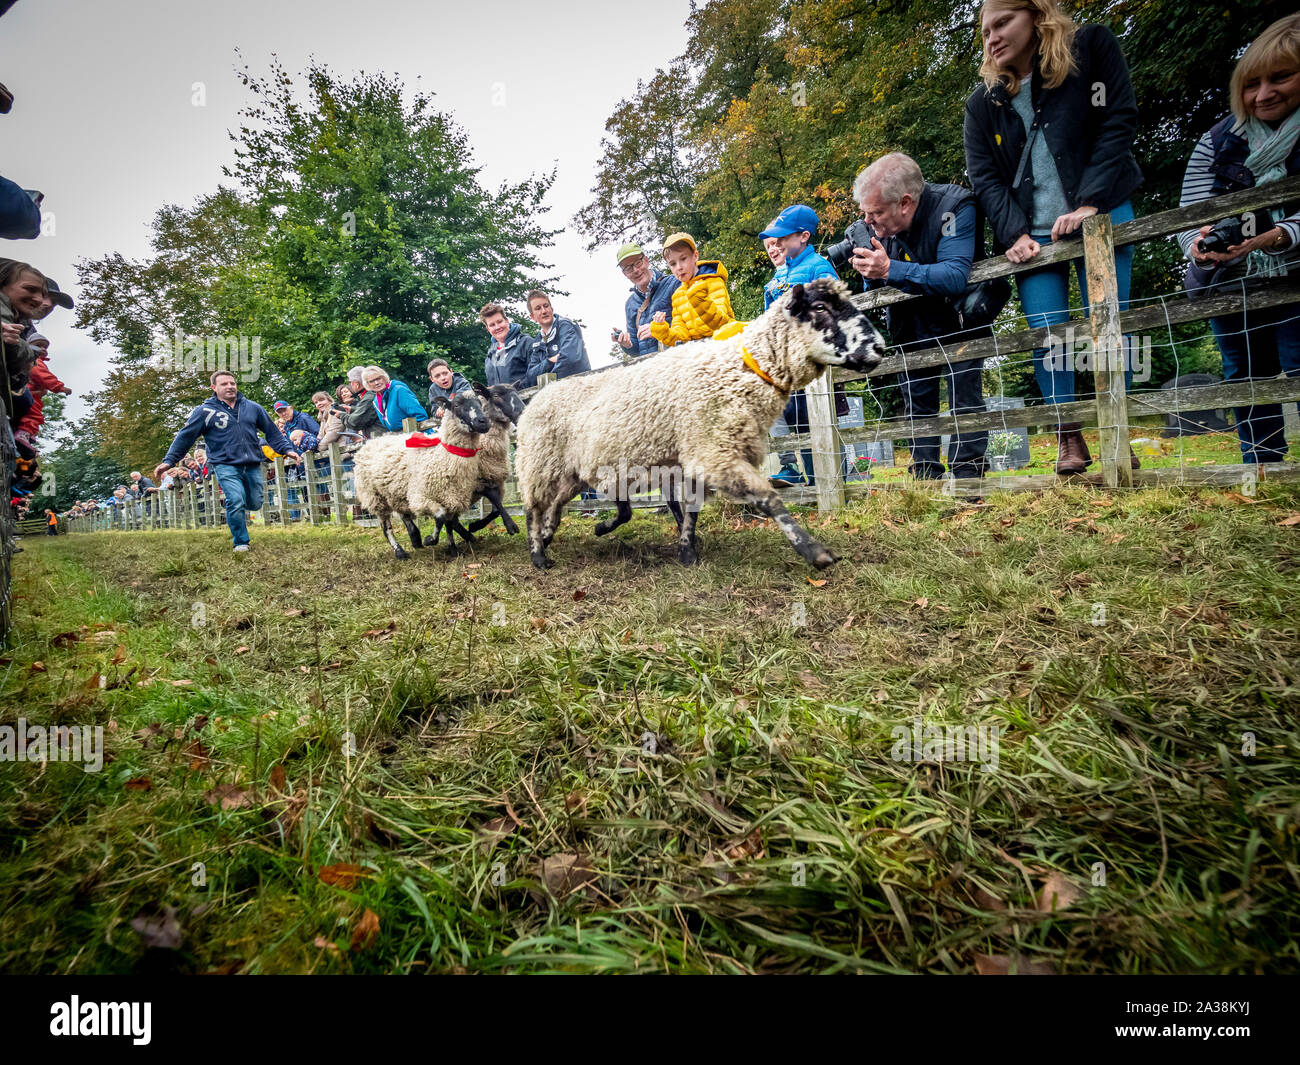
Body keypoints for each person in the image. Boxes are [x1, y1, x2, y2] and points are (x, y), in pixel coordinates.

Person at [964, 0, 1142, 474]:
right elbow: (984, 178)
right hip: (1035, 235)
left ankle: (1117, 432)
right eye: (985, 31)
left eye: (1003, 23)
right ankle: (1069, 436)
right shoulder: (983, 104)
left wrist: (1091, 201)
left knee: (1108, 324)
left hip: (1101, 211)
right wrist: (1013, 233)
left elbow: (1117, 120)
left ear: (1036, 14)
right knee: (1049, 334)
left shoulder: (1091, 51)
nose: (993, 37)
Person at [1178, 13, 1300, 464]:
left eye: (1281, 77)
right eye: (1252, 83)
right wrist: (1199, 244)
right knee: (1245, 373)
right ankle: (1262, 467)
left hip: (1293, 274)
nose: (1264, 94)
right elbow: (1192, 213)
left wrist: (1281, 234)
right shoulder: (1218, 141)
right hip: (1235, 280)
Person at [850, 154, 990, 480]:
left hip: (959, 317)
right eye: (865, 215)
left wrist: (889, 269)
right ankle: (925, 481)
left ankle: (969, 481)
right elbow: (875, 285)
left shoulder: (954, 207)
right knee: (917, 401)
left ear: (905, 202)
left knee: (965, 398)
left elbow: (955, 274)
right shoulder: (878, 224)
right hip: (909, 321)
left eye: (877, 213)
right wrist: (870, 272)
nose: (871, 222)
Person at [154, 370, 299, 552]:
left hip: (252, 462)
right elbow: (185, 436)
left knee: (255, 502)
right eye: (224, 384)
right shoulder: (204, 412)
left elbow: (272, 431)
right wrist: (169, 461)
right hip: (225, 463)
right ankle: (241, 542)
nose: (230, 386)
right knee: (235, 499)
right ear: (214, 388)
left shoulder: (252, 407)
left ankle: (237, 509)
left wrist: (287, 450)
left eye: (232, 383)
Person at [760, 206, 844, 486]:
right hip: (787, 362)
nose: (778, 244)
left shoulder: (819, 266)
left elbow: (834, 311)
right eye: (773, 241)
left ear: (804, 236)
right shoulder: (779, 277)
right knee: (797, 421)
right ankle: (809, 483)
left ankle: (831, 481)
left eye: (782, 238)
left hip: (814, 361)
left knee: (819, 418)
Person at [648, 232, 739, 348]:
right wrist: (662, 330)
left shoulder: (714, 281)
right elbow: (682, 336)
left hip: (726, 346)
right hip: (699, 353)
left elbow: (722, 324)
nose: (679, 267)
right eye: (673, 264)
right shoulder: (677, 296)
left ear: (695, 256)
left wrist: (699, 301)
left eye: (683, 259)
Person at [613, 244, 678, 356]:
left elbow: (690, 323)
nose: (635, 270)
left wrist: (659, 330)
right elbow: (637, 349)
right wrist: (627, 345)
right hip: (652, 369)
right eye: (628, 268)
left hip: (680, 361)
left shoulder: (674, 283)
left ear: (646, 261)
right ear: (625, 274)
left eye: (638, 263)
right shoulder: (630, 304)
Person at [525, 290, 591, 382]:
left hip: (579, 385)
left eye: (546, 306)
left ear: (552, 310)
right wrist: (550, 361)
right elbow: (531, 375)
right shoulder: (538, 341)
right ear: (533, 317)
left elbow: (570, 359)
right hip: (556, 391)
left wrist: (547, 375)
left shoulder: (566, 326)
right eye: (538, 308)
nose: (544, 311)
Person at [481, 302, 534, 387]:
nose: (497, 327)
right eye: (492, 325)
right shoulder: (491, 354)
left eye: (499, 322)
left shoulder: (526, 343)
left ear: (507, 321)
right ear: (488, 329)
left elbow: (536, 376)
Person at [362, 365, 428, 430]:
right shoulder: (376, 401)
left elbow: (420, 416)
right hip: (398, 437)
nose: (376, 383)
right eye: (372, 381)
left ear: (384, 378)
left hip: (414, 434)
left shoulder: (399, 390)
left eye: (378, 378)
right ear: (367, 384)